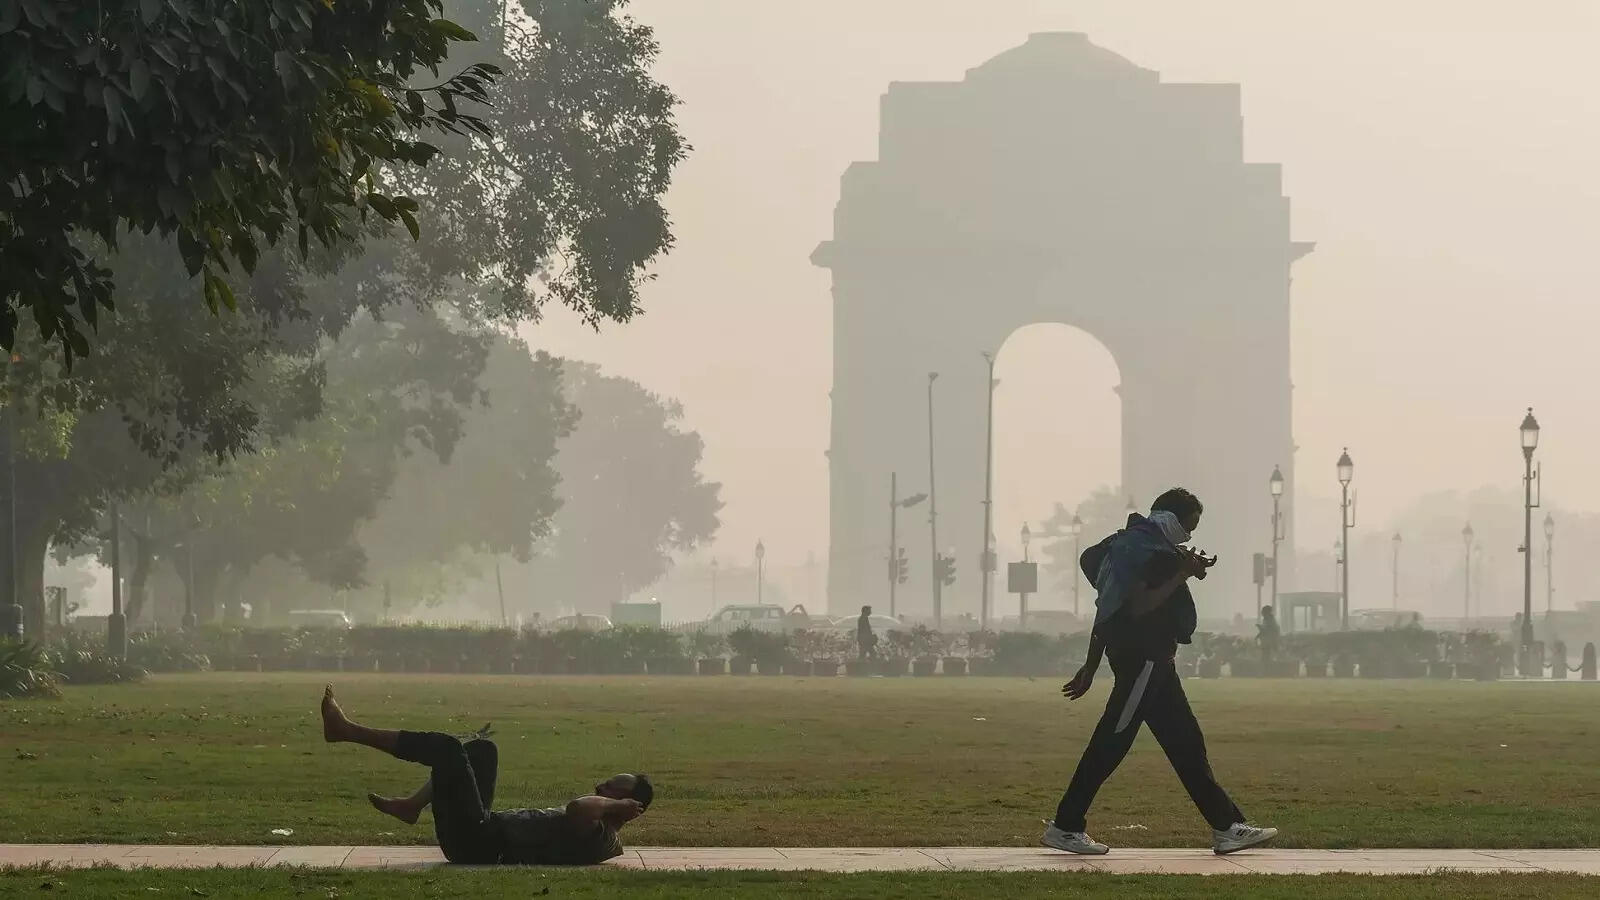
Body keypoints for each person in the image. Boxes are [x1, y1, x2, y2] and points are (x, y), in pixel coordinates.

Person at [1042, 488, 1277, 857]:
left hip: (1155, 667)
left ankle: (1227, 827)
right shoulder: (1150, 555)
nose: (1190, 535)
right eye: (1189, 525)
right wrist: (1181, 572)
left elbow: (1107, 611)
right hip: (1144, 663)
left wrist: (1091, 664)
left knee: (1187, 744)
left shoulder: (1128, 547)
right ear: (1171, 518)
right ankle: (1066, 825)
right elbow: (1137, 607)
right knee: (1111, 742)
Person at [319, 685, 652, 865]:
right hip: (481, 830)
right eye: (606, 782)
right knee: (482, 750)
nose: (601, 786)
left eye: (611, 789)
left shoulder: (601, 835)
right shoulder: (599, 825)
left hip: (475, 843)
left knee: (447, 748)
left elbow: (577, 808)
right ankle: (412, 806)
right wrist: (612, 802)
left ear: (629, 806)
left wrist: (611, 807)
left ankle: (346, 731)